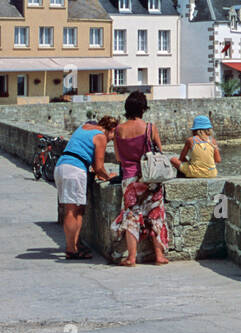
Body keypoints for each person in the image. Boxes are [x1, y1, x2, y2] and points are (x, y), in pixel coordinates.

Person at [109, 91, 169, 266]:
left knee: (132, 216)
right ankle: (159, 256)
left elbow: (118, 158)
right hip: (150, 177)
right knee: (156, 214)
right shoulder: (150, 128)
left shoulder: (119, 130)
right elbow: (159, 152)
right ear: (143, 109)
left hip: (129, 178)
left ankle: (131, 258)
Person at [55, 116, 117, 259]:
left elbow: (93, 163)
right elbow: (99, 167)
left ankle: (75, 245)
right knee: (71, 211)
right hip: (74, 170)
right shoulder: (101, 136)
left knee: (79, 210)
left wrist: (100, 173)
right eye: (113, 137)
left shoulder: (84, 128)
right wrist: (109, 177)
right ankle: (71, 249)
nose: (111, 141)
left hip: (61, 166)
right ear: (111, 130)